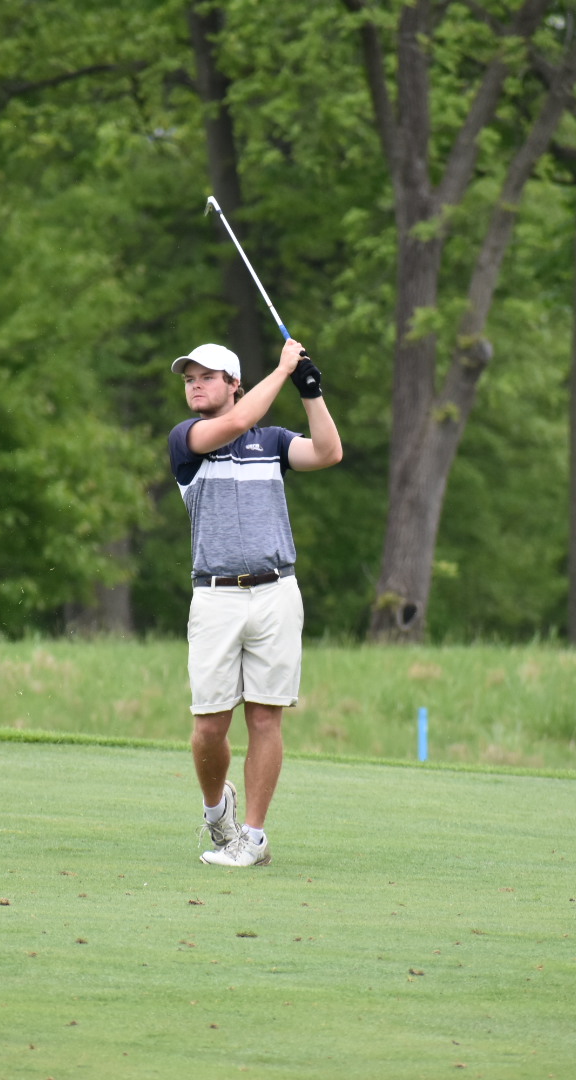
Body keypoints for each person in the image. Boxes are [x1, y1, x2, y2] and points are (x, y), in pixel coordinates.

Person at [168, 337, 343, 867]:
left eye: (207, 377)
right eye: (190, 379)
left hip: (276, 592)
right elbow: (237, 421)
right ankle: (216, 808)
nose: (195, 386)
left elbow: (328, 452)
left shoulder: (272, 442)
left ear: (234, 383)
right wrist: (283, 368)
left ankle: (253, 837)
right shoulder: (188, 439)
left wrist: (310, 391)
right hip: (215, 596)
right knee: (209, 727)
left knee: (266, 719)